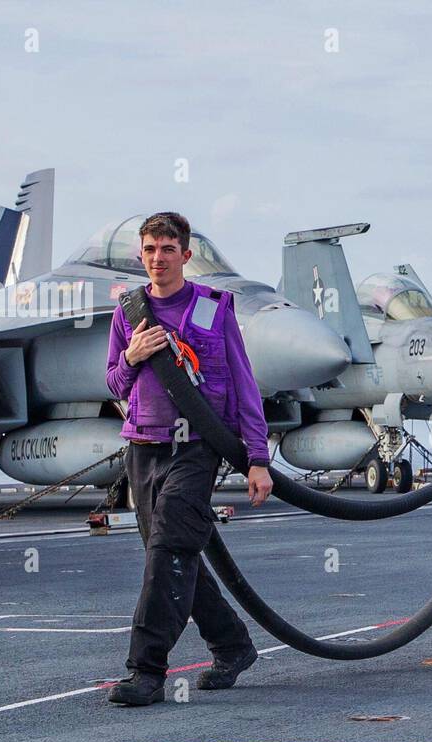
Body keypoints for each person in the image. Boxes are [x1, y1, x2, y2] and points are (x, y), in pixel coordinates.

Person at [103, 211, 273, 705]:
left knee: (169, 548)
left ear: (185, 255)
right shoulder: (128, 312)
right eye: (151, 249)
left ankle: (146, 670)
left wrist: (256, 459)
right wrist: (132, 357)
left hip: (195, 450)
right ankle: (232, 645)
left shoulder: (213, 309)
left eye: (168, 249)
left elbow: (244, 386)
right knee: (173, 556)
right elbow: (113, 383)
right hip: (142, 447)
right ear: (142, 255)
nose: (159, 258)